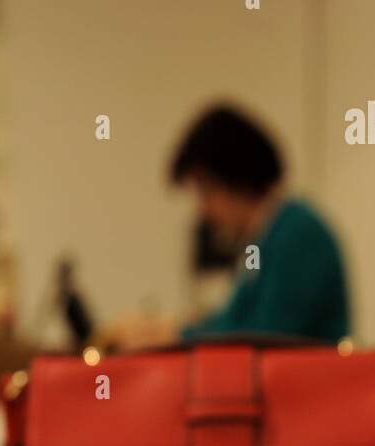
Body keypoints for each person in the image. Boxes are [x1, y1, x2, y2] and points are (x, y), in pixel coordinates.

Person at [109, 104, 350, 349]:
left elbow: (266, 338)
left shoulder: (298, 235)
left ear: (236, 178)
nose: (203, 210)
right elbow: (236, 321)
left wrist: (175, 336)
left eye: (206, 191)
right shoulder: (263, 240)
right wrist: (177, 327)